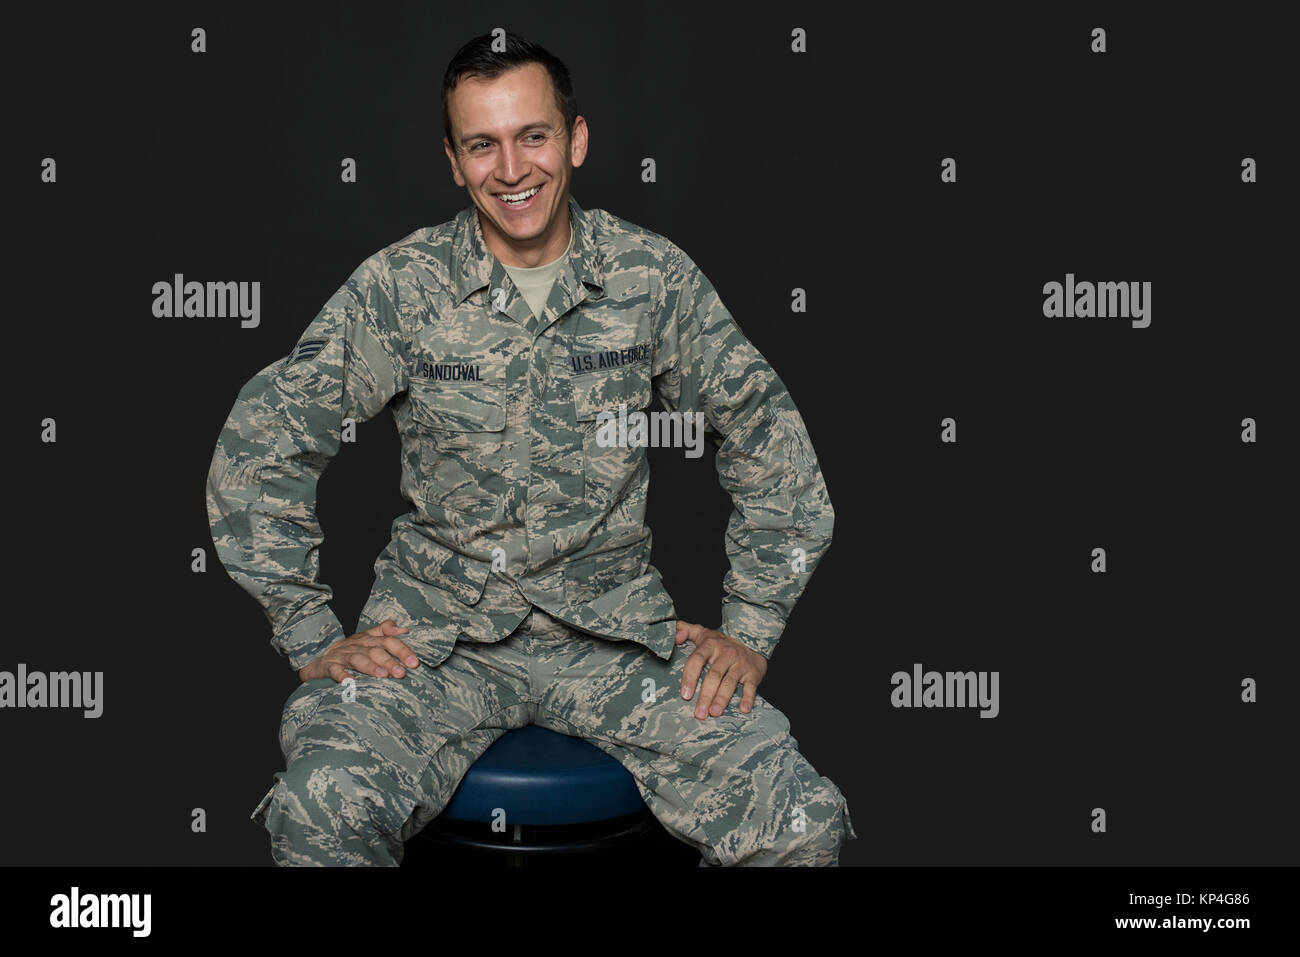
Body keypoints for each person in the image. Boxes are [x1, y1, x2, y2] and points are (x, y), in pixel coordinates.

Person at [205, 30, 857, 866]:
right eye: (483, 144)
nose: (511, 169)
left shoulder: (649, 278)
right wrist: (307, 631)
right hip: (433, 642)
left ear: (576, 140)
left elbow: (771, 442)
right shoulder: (400, 289)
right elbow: (261, 446)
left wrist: (752, 628)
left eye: (533, 135)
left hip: (613, 636)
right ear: (454, 159)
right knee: (320, 810)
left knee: (797, 817)